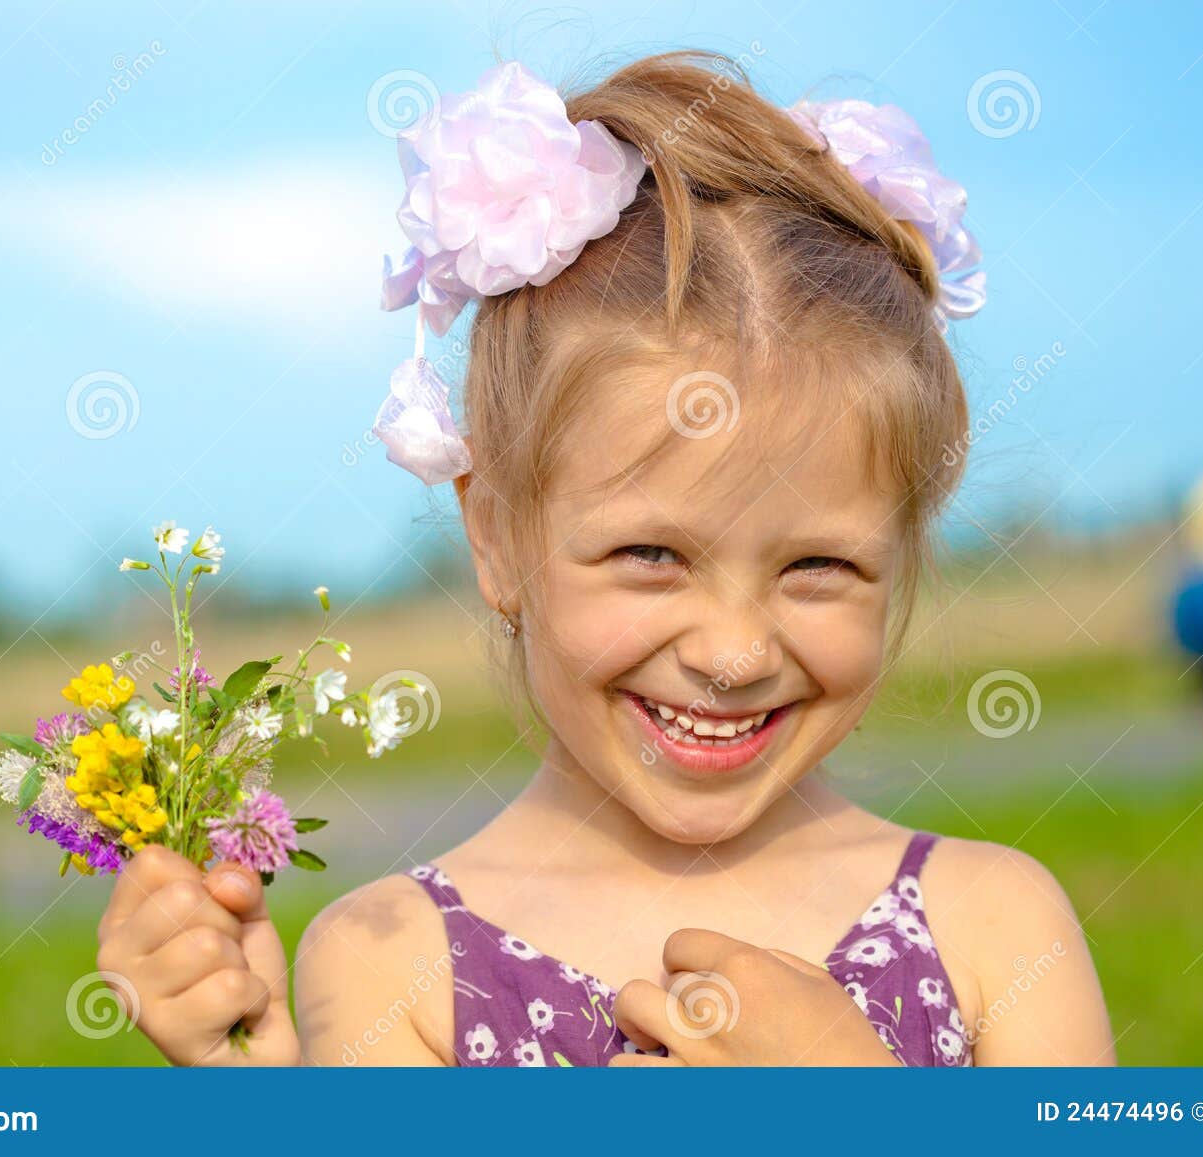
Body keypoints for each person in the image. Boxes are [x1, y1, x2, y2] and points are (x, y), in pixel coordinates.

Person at [95, 51, 1114, 1068]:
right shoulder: (390, 964)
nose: (733, 652)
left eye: (817, 566)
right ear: (497, 536)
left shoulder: (996, 928)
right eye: (652, 554)